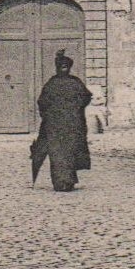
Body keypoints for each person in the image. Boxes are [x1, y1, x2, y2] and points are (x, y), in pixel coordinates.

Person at [32, 50, 93, 192]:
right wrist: (76, 110)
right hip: (72, 124)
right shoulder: (75, 82)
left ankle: (61, 182)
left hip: (55, 125)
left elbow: (42, 103)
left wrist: (48, 116)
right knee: (68, 152)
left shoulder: (51, 84)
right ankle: (67, 181)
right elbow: (86, 98)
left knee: (58, 153)